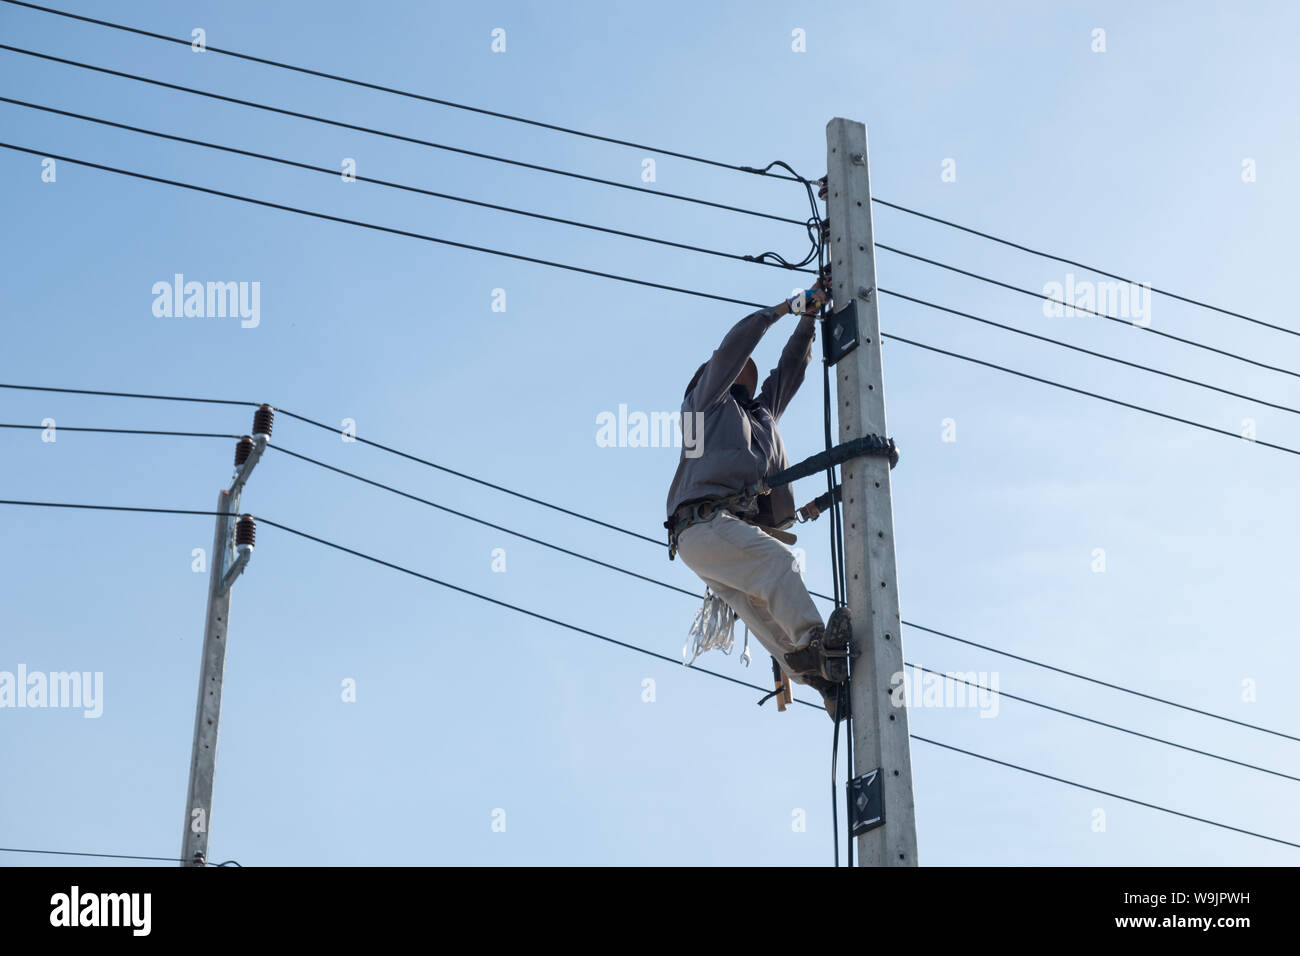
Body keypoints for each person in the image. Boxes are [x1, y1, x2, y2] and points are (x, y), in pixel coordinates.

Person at [665, 279, 851, 720]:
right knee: (778, 566)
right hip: (701, 524)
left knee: (762, 612)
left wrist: (809, 319)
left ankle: (822, 682)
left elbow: (790, 370)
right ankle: (816, 642)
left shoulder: (760, 414)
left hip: (721, 532)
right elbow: (736, 342)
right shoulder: (703, 405)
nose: (741, 370)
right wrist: (786, 308)